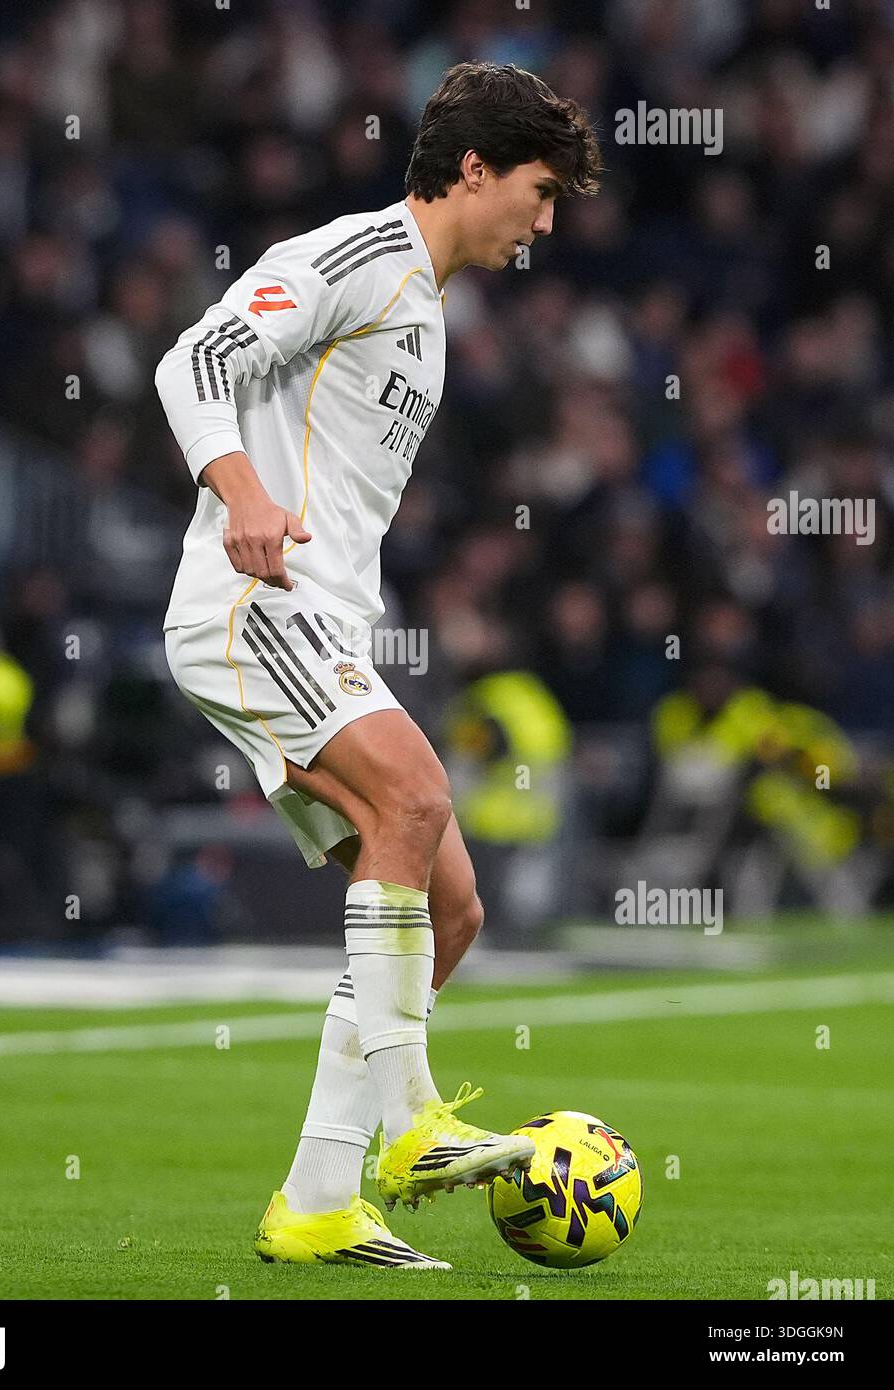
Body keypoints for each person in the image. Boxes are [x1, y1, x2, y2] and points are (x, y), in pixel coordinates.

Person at [156, 62, 601, 1270]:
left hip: (325, 628)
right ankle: (410, 1127)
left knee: (450, 909)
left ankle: (313, 1197)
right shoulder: (358, 255)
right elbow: (192, 358)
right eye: (539, 190)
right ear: (471, 169)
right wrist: (239, 491)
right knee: (413, 794)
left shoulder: (426, 310)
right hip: (253, 604)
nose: (545, 222)